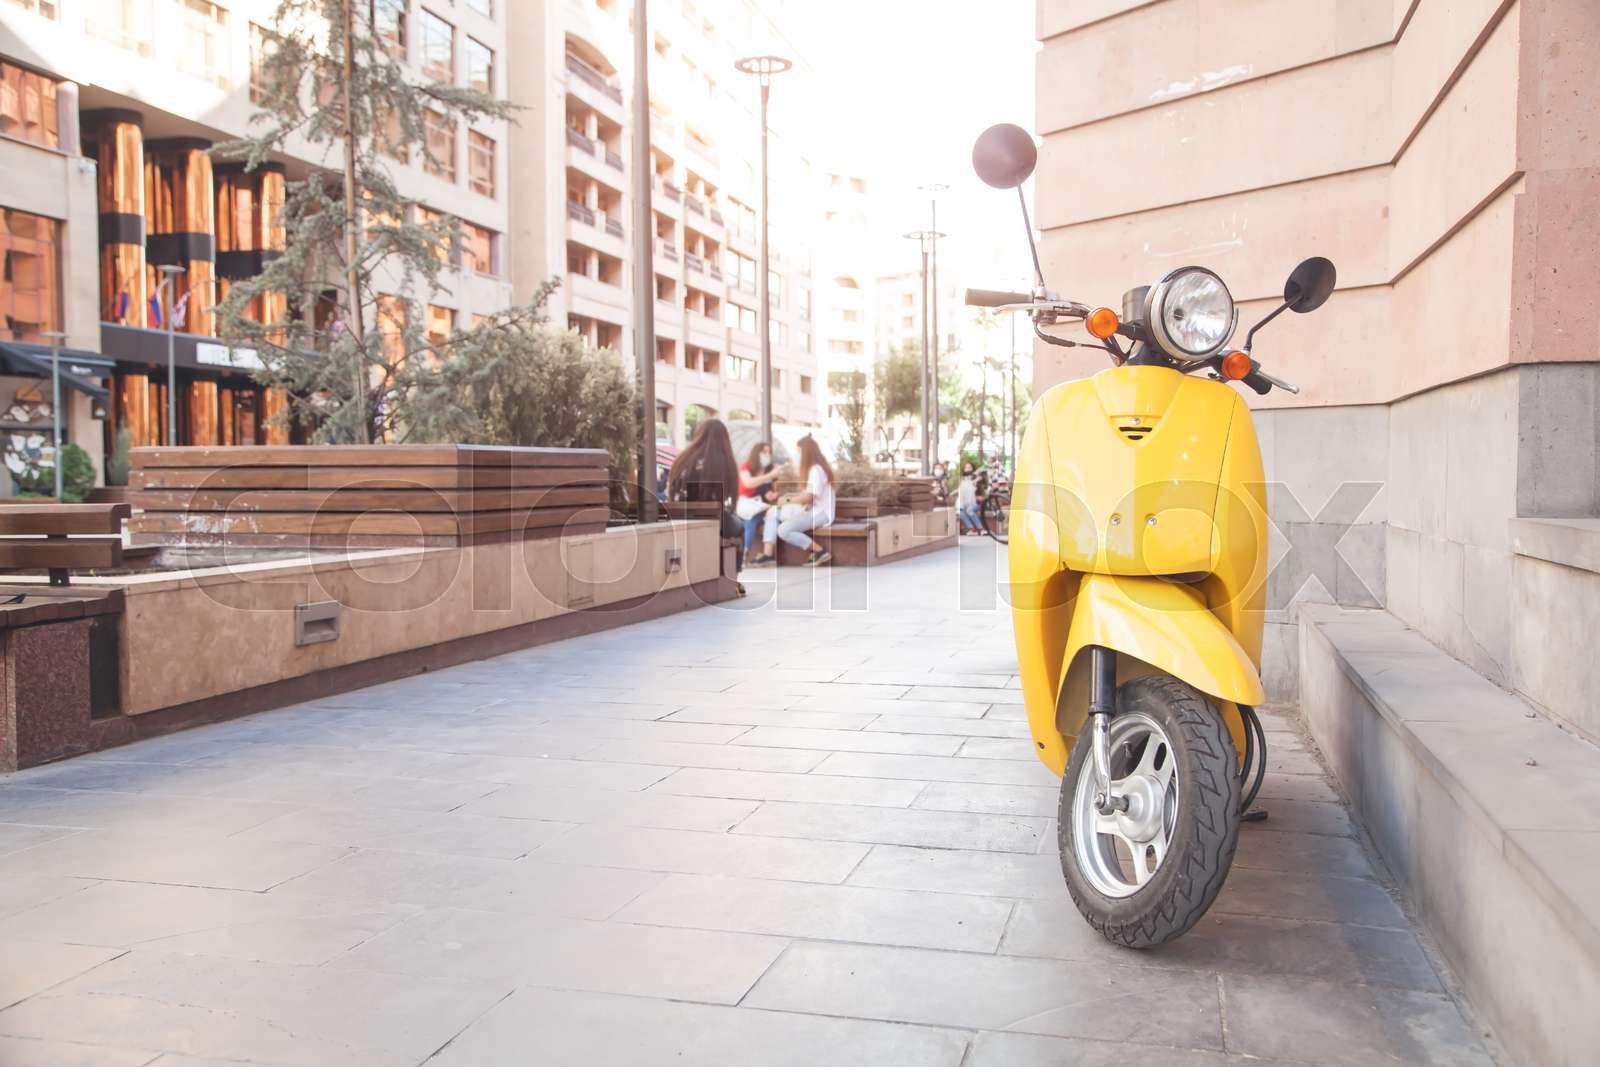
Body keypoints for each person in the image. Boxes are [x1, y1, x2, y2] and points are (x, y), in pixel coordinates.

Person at [666, 418, 747, 575]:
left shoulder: (683, 458)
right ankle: (734, 576)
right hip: (711, 520)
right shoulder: (724, 460)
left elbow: (672, 489)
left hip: (678, 517)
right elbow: (728, 495)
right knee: (740, 526)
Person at [753, 434, 835, 566]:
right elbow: (808, 494)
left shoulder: (816, 470)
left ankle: (819, 551)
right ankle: (767, 555)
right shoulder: (814, 469)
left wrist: (787, 501)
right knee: (772, 513)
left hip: (821, 513)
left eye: (799, 452)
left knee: (783, 530)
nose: (798, 456)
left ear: (806, 452)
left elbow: (810, 497)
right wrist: (789, 498)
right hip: (811, 510)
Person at [735, 441, 781, 557]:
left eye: (769, 452)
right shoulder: (746, 467)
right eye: (764, 452)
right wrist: (770, 475)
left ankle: (750, 553)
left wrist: (772, 494)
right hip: (745, 505)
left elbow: (769, 491)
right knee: (750, 520)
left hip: (760, 507)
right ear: (756, 453)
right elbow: (748, 483)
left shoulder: (768, 470)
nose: (767, 455)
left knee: (760, 518)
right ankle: (743, 553)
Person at [957, 461, 982, 534]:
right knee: (960, 512)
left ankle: (981, 528)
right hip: (965, 502)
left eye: (969, 467)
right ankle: (972, 529)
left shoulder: (978, 478)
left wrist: (976, 482)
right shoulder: (962, 480)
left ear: (973, 469)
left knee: (969, 511)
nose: (967, 469)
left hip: (977, 502)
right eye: (966, 467)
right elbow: (961, 493)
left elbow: (981, 493)